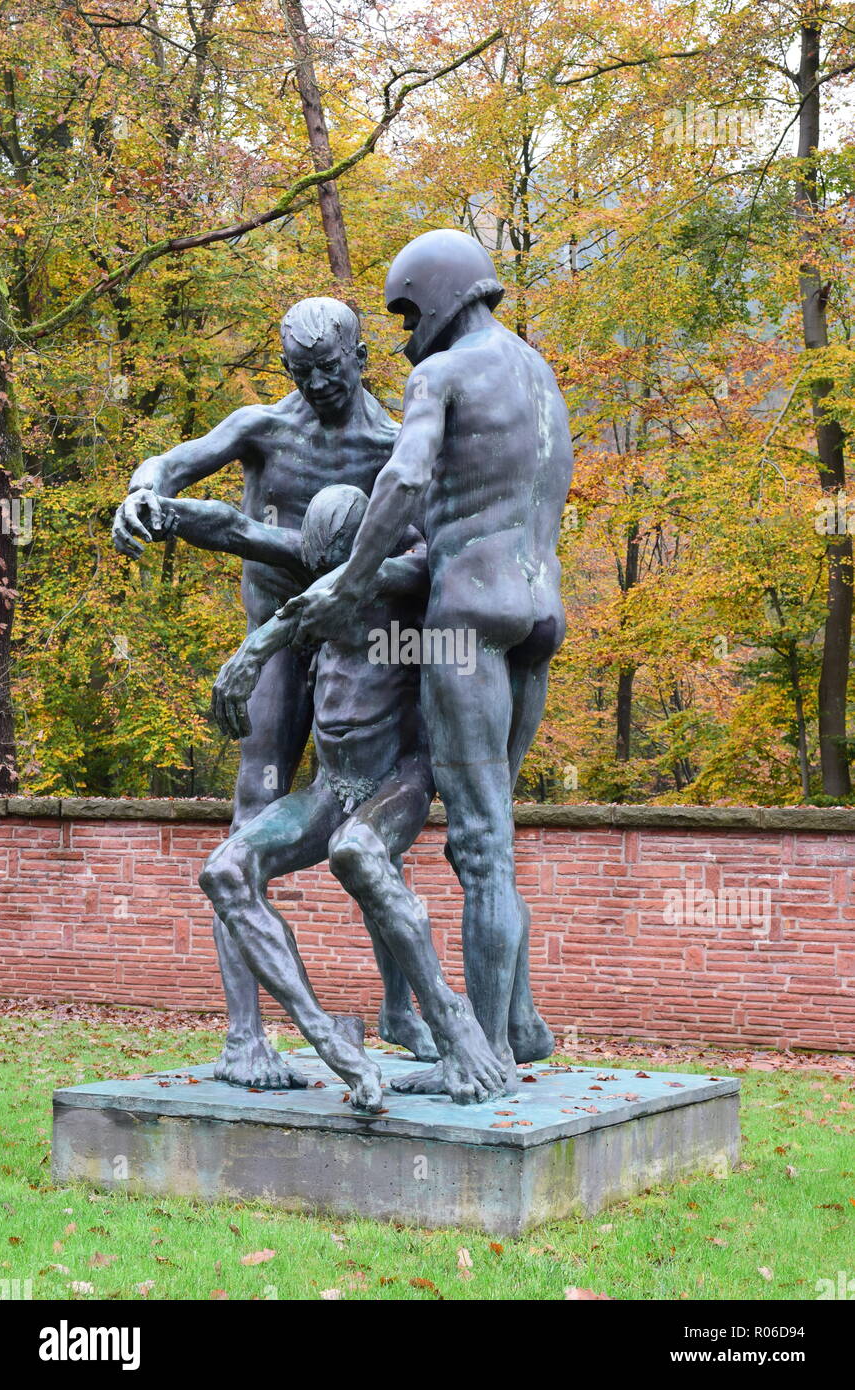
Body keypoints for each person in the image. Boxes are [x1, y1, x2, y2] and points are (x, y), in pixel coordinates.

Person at [111, 297, 434, 1085]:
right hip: (274, 653)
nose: (317, 384)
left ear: (362, 358)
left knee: (367, 829)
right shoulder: (262, 427)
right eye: (300, 371)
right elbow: (174, 462)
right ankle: (245, 1039)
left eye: (330, 369)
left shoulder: (393, 446)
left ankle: (398, 1007)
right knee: (251, 817)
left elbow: (426, 552)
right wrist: (141, 491)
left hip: (358, 647)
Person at [281, 230, 573, 1099]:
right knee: (497, 838)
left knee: (479, 847)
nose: (406, 331)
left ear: (441, 293)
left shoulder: (439, 376)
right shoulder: (540, 377)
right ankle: (517, 1024)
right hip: (539, 613)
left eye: (407, 311)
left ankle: (470, 1058)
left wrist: (349, 586)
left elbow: (403, 484)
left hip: (468, 621)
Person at [157, 485, 503, 1109]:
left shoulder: (414, 571)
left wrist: (251, 652)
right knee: (226, 870)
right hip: (330, 786)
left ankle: (453, 1025)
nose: (328, 578)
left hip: (399, 779)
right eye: (319, 564)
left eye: (338, 560)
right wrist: (166, 510)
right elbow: (249, 546)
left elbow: (346, 586)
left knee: (358, 853)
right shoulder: (323, 591)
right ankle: (327, 1037)